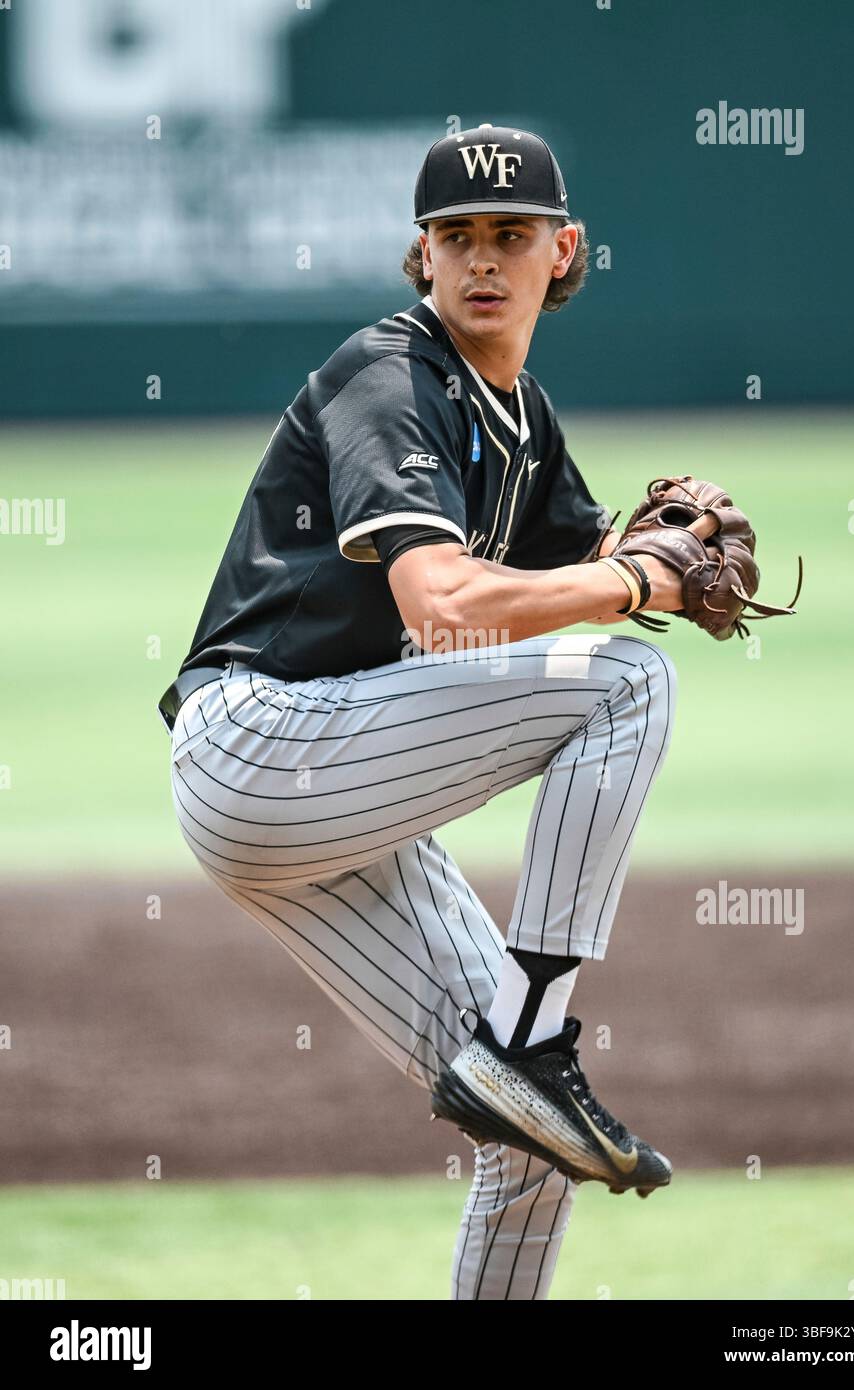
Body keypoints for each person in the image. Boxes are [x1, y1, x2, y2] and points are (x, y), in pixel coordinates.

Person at [158, 123, 682, 1300]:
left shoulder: (523, 420)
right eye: (457, 237)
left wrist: (661, 550)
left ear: (565, 252)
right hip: (261, 745)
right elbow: (446, 608)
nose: (484, 259)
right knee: (630, 681)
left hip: (334, 808)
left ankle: (522, 1067)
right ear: (423, 257)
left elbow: (584, 554)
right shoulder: (390, 377)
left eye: (512, 234)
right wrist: (639, 585)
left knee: (528, 1138)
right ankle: (532, 1036)